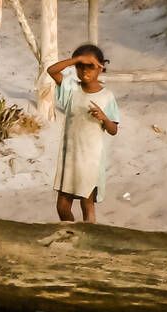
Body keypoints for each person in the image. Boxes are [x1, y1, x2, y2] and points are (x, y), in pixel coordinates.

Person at [46, 44, 119, 223]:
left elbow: (113, 130)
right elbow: (51, 70)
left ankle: (88, 240)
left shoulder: (107, 96)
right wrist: (77, 59)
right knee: (62, 206)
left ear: (100, 67)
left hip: (91, 159)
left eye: (90, 66)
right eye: (80, 66)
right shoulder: (72, 89)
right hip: (69, 156)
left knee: (87, 204)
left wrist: (104, 118)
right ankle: (70, 235)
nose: (85, 70)